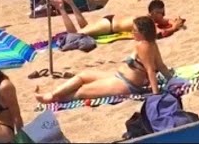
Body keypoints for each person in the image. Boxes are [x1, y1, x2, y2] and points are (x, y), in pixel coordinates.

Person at [35, 17, 173, 103]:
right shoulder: (151, 43)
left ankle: (54, 99)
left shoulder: (143, 46)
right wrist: (172, 79)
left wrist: (156, 94)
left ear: (143, 33)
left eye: (134, 31)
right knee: (83, 75)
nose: (132, 33)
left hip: (125, 84)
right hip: (118, 77)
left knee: (82, 91)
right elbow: (160, 66)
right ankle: (52, 95)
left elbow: (150, 70)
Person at [56, 0, 183, 39]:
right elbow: (159, 34)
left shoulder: (150, 18)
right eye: (161, 13)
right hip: (108, 26)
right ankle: (62, 8)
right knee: (74, 35)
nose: (164, 15)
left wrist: (174, 22)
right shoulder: (147, 21)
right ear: (154, 13)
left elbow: (167, 21)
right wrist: (175, 27)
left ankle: (72, 3)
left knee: (84, 28)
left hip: (110, 21)